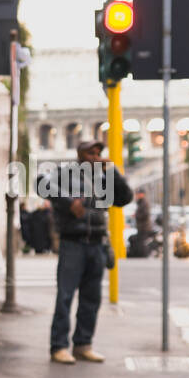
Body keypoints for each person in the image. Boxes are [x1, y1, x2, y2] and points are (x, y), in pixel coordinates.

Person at [48, 139, 133, 363]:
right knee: (65, 297)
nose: (95, 157)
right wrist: (68, 203)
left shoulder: (103, 178)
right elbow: (42, 183)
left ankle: (83, 344)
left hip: (97, 244)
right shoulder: (66, 173)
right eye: (90, 153)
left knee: (91, 298)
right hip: (72, 243)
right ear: (80, 154)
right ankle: (59, 346)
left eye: (98, 153)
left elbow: (125, 198)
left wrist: (112, 171)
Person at [129, 190, 152, 258]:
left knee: (142, 242)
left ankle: (143, 255)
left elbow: (145, 214)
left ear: (142, 194)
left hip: (144, 227)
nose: (136, 196)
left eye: (138, 194)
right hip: (142, 226)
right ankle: (142, 254)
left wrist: (136, 215)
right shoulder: (141, 202)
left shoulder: (144, 203)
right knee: (141, 241)